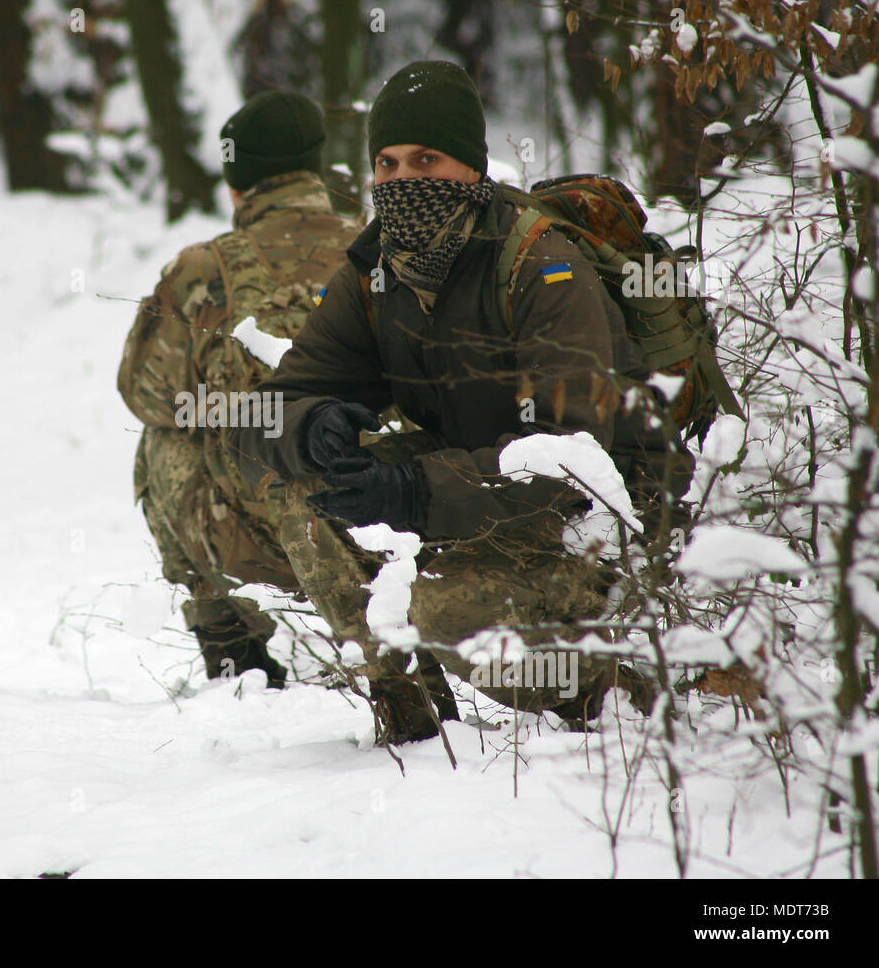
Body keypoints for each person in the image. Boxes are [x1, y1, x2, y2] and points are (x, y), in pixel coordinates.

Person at [227, 61, 681, 742]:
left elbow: (575, 464)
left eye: (427, 158)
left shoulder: (543, 267)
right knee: (303, 490)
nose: (403, 178)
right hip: (476, 498)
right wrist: (311, 426)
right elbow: (265, 414)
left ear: (472, 167)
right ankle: (410, 721)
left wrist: (413, 490)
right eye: (387, 162)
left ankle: (615, 695)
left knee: (439, 611)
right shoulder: (375, 271)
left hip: (599, 526)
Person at [118, 91, 371, 690]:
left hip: (271, 541)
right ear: (316, 166)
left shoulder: (207, 268)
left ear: (237, 186)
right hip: (391, 528)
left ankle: (232, 652)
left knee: (162, 442)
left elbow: (143, 395)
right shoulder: (378, 247)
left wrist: (220, 405)